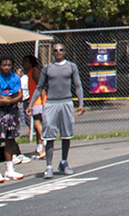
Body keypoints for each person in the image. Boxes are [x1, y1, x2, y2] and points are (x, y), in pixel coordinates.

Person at [35, 42, 86, 177]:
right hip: (51, 103)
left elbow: (78, 85)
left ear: (64, 52)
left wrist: (81, 103)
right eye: (56, 50)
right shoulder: (47, 68)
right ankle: (49, 166)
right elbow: (40, 87)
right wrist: (30, 104)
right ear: (52, 52)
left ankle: (64, 162)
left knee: (66, 134)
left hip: (66, 102)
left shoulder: (71, 67)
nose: (58, 52)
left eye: (61, 50)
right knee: (49, 134)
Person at [0, 56, 26, 183]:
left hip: (13, 112)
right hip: (1, 113)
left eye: (9, 65)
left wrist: (8, 99)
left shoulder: (15, 78)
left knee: (10, 140)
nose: (6, 67)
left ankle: (9, 170)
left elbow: (20, 96)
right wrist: (11, 97)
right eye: (4, 65)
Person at [23, 53, 45, 148]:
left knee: (37, 123)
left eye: (26, 62)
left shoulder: (34, 72)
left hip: (38, 101)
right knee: (36, 125)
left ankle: (45, 141)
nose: (24, 64)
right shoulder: (29, 73)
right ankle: (39, 148)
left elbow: (41, 87)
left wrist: (44, 100)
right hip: (33, 101)